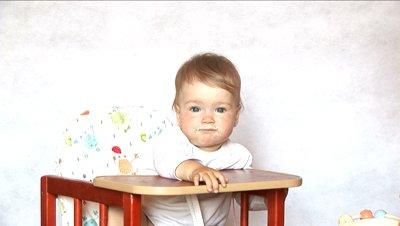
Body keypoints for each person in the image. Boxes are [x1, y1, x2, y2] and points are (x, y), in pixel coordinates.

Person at [142, 52, 257, 226]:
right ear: (179, 113)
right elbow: (170, 162)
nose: (208, 119)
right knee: (118, 214)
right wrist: (195, 170)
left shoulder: (238, 156)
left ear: (236, 115)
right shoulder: (170, 142)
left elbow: (244, 198)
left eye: (220, 110)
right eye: (195, 109)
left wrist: (266, 195)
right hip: (157, 221)